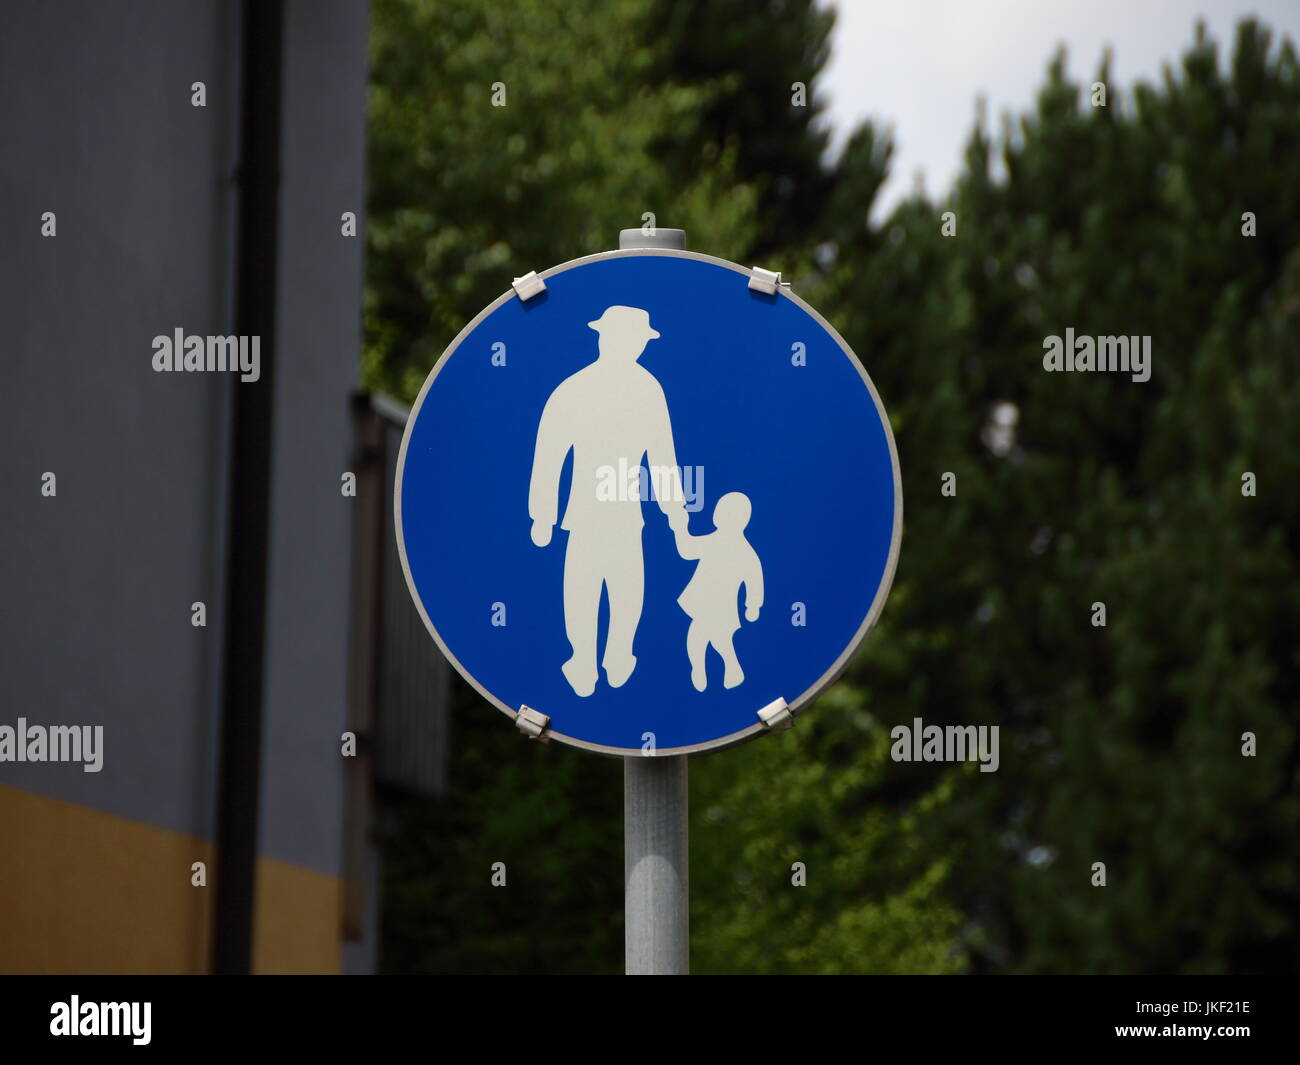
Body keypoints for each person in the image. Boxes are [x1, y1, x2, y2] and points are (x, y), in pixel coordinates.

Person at [528, 305, 687, 697]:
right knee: (587, 587)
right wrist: (542, 516)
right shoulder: (576, 390)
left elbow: (662, 459)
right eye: (633, 339)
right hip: (587, 514)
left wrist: (676, 517)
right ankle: (586, 656)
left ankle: (617, 652)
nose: (637, 348)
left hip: (621, 512)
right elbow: (549, 457)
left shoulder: (645, 389)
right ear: (606, 338)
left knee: (623, 586)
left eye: (640, 342)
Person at [672, 491, 763, 691]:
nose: (719, 515)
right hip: (705, 603)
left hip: (722, 606)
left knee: (713, 639)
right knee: (708, 638)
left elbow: (754, 580)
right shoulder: (714, 540)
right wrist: (679, 528)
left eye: (727, 513)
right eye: (720, 510)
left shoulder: (745, 552)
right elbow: (687, 550)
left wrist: (753, 605)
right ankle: (705, 668)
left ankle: (725, 667)